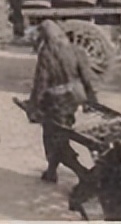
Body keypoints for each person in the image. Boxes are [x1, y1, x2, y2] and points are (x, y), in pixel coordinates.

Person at [30, 20, 98, 184]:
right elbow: (87, 78)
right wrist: (91, 99)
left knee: (53, 137)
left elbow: (41, 82)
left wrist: (34, 105)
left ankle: (82, 173)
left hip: (56, 101)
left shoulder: (47, 53)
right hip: (74, 98)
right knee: (61, 132)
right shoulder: (76, 50)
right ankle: (51, 171)